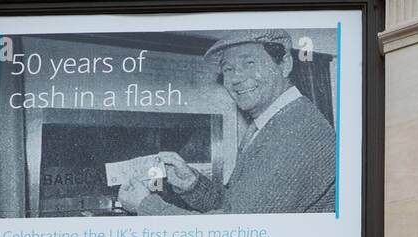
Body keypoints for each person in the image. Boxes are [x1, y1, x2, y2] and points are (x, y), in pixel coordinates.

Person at [121, 29, 336, 216]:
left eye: (249, 63)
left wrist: (145, 205)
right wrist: (192, 185)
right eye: (228, 69)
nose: (236, 78)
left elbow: (238, 228)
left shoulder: (295, 130)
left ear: (284, 65)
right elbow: (239, 205)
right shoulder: (273, 122)